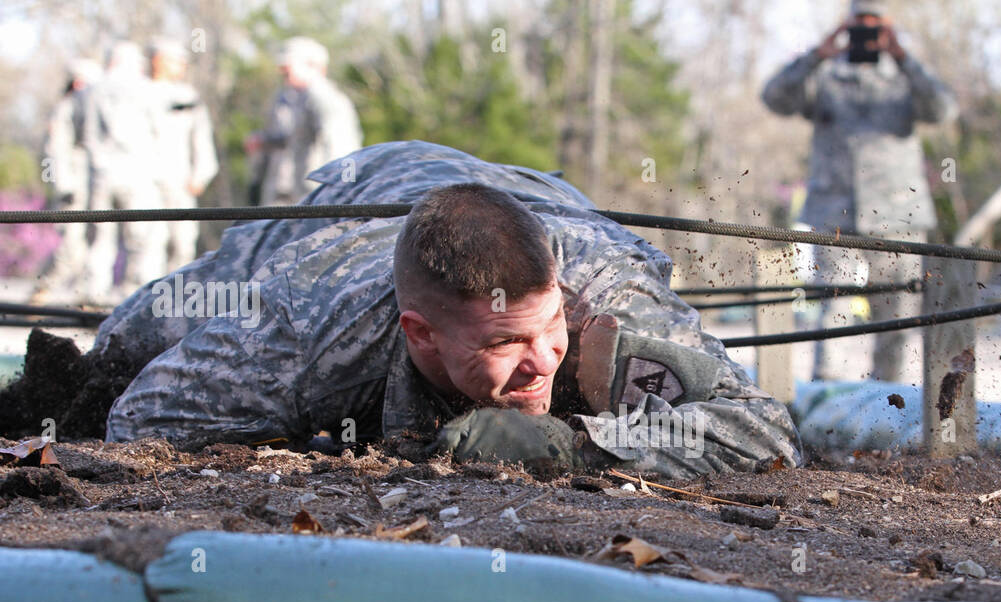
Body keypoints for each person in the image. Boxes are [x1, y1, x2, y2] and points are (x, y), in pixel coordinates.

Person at [93, 141, 803, 478]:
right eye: (503, 342)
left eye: (548, 327)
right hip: (354, 207)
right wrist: (305, 431)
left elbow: (768, 434)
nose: (542, 362)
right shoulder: (306, 326)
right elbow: (143, 416)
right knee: (120, 341)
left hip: (536, 194)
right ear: (420, 335)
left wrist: (579, 445)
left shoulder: (607, 299)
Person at [761, 0, 957, 382]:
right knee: (831, 310)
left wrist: (903, 57)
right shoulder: (826, 77)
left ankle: (889, 402)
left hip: (898, 216)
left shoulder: (904, 77)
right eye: (859, 25)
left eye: (875, 26)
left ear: (888, 29)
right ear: (846, 27)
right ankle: (827, 398)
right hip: (836, 215)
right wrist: (817, 54)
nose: (867, 34)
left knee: (896, 316)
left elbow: (943, 110)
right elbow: (774, 98)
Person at [83, 41, 168, 305]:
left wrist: (98, 164)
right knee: (142, 238)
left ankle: (94, 295)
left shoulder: (94, 90)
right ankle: (138, 298)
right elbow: (160, 132)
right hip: (138, 172)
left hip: (103, 173)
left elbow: (87, 134)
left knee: (100, 238)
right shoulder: (146, 89)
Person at [245, 37, 362, 206]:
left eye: (289, 66)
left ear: (313, 66)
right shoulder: (288, 97)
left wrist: (339, 191)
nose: (283, 72)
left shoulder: (325, 98)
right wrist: (264, 142)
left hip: (318, 194)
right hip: (289, 191)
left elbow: (340, 146)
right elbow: (292, 138)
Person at [33, 58, 101, 304]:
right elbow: (53, 153)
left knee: (93, 247)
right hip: (72, 188)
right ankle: (40, 293)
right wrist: (63, 186)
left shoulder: (89, 109)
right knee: (70, 248)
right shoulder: (65, 109)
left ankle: (86, 301)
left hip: (93, 187)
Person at [149, 38, 219, 273]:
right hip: (149, 182)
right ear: (158, 60)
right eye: (175, 61)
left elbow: (201, 137)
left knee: (183, 241)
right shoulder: (141, 92)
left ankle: (177, 297)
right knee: (151, 241)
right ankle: (147, 298)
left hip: (180, 180)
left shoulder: (188, 95)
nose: (181, 66)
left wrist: (201, 174)